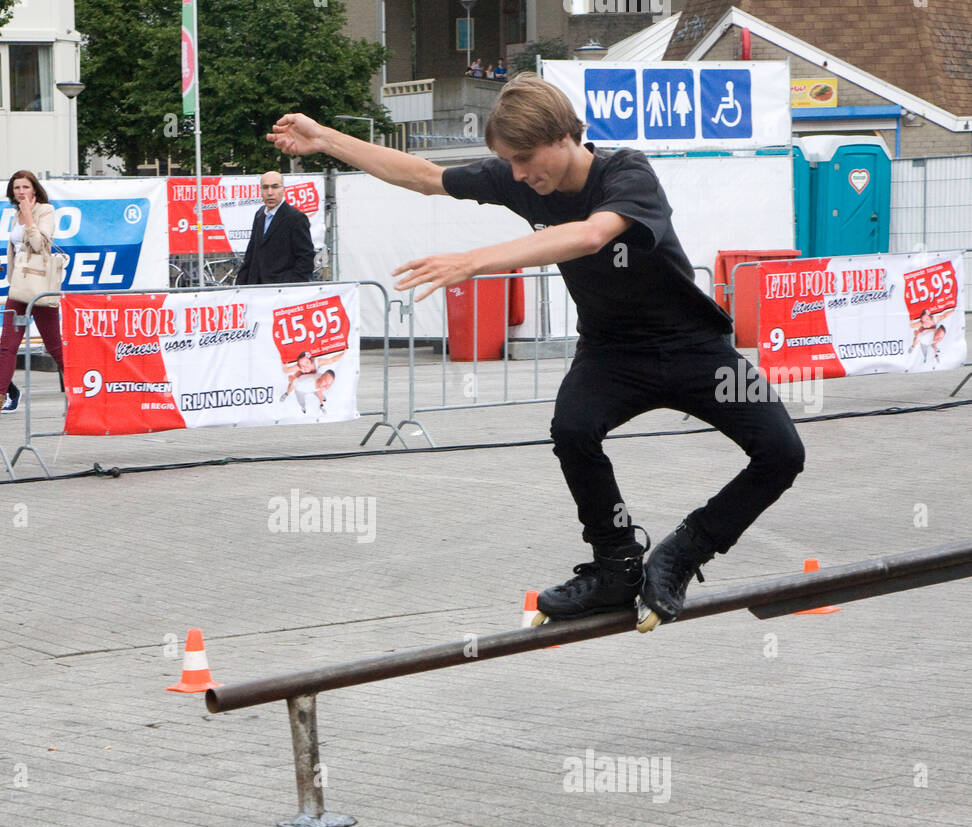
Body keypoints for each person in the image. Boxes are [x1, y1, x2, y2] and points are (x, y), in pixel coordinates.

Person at [266, 74, 804, 628]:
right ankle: (616, 564)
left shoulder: (627, 173)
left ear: (563, 137)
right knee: (573, 430)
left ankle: (683, 553)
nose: (519, 175)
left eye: (524, 160)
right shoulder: (522, 178)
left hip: (692, 346)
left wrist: (473, 261)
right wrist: (325, 138)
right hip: (612, 353)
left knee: (782, 453)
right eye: (510, 163)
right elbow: (424, 176)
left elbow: (590, 235)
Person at [0, 169, 63, 419]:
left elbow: (40, 245)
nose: (20, 192)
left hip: (40, 288)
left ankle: (84, 393)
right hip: (19, 286)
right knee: (8, 346)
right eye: (16, 187)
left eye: (25, 187)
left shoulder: (45, 211)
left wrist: (29, 216)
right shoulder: (15, 214)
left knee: (54, 346)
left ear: (34, 189)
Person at [234, 171, 315, 286]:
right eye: (265, 187)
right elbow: (251, 253)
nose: (270, 192)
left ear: (283, 190)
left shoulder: (296, 218)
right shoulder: (260, 215)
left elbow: (305, 257)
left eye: (275, 187)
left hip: (282, 289)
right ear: (260, 191)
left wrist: (291, 285)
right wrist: (240, 285)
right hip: (256, 287)